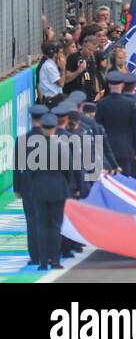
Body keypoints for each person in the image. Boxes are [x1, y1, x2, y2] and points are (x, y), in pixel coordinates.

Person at [16, 113, 72, 270]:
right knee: (55, 225)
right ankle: (55, 259)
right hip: (57, 189)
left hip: (39, 189)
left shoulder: (34, 148)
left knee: (41, 226)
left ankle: (42, 262)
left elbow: (30, 172)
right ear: (54, 128)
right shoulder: (62, 146)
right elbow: (68, 171)